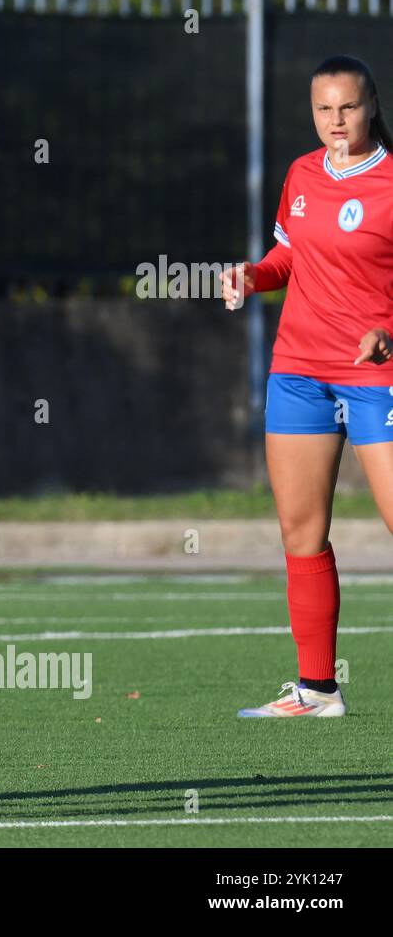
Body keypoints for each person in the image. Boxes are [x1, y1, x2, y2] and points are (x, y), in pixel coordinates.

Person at [221, 55, 393, 718]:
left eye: (348, 107)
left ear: (372, 105)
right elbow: (289, 258)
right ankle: (317, 689)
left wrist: (387, 331)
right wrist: (251, 276)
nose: (336, 121)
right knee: (301, 531)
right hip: (299, 370)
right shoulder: (301, 173)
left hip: (375, 373)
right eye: (324, 109)